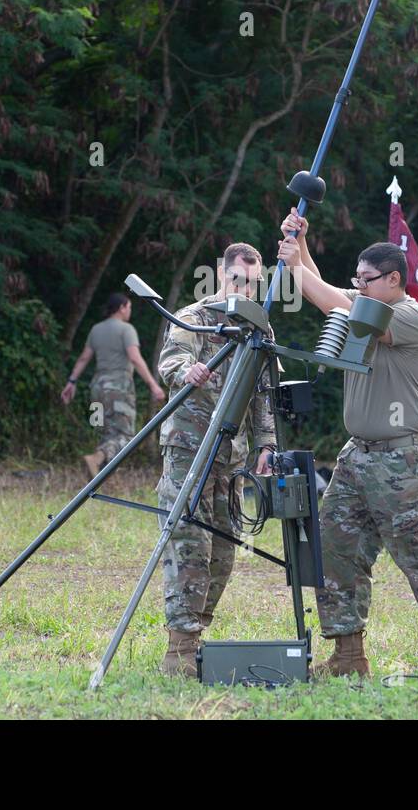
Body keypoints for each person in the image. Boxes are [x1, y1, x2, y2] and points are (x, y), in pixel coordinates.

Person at [278, 207, 418, 676]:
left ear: (392, 279)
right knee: (334, 550)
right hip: (356, 456)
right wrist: (299, 243)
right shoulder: (364, 301)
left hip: (404, 460)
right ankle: (348, 657)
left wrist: (295, 263)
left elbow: (332, 303)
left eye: (366, 280)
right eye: (357, 279)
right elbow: (319, 288)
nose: (358, 285)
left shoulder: (410, 316)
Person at [154, 243, 276, 677]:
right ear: (221, 276)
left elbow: (264, 393)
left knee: (223, 550)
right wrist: (187, 370)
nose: (243, 288)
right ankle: (180, 649)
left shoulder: (260, 326)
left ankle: (197, 634)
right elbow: (173, 358)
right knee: (190, 545)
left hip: (232, 457)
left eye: (251, 282)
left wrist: (266, 445)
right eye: (236, 280)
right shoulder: (195, 317)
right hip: (189, 449)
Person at [61, 293, 165, 476]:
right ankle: (97, 458)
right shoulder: (127, 330)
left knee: (104, 432)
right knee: (125, 436)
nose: (130, 312)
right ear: (122, 307)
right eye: (129, 307)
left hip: (97, 389)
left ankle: (98, 475)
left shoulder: (96, 329)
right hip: (118, 389)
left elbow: (85, 357)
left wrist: (71, 382)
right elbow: (135, 358)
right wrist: (153, 385)